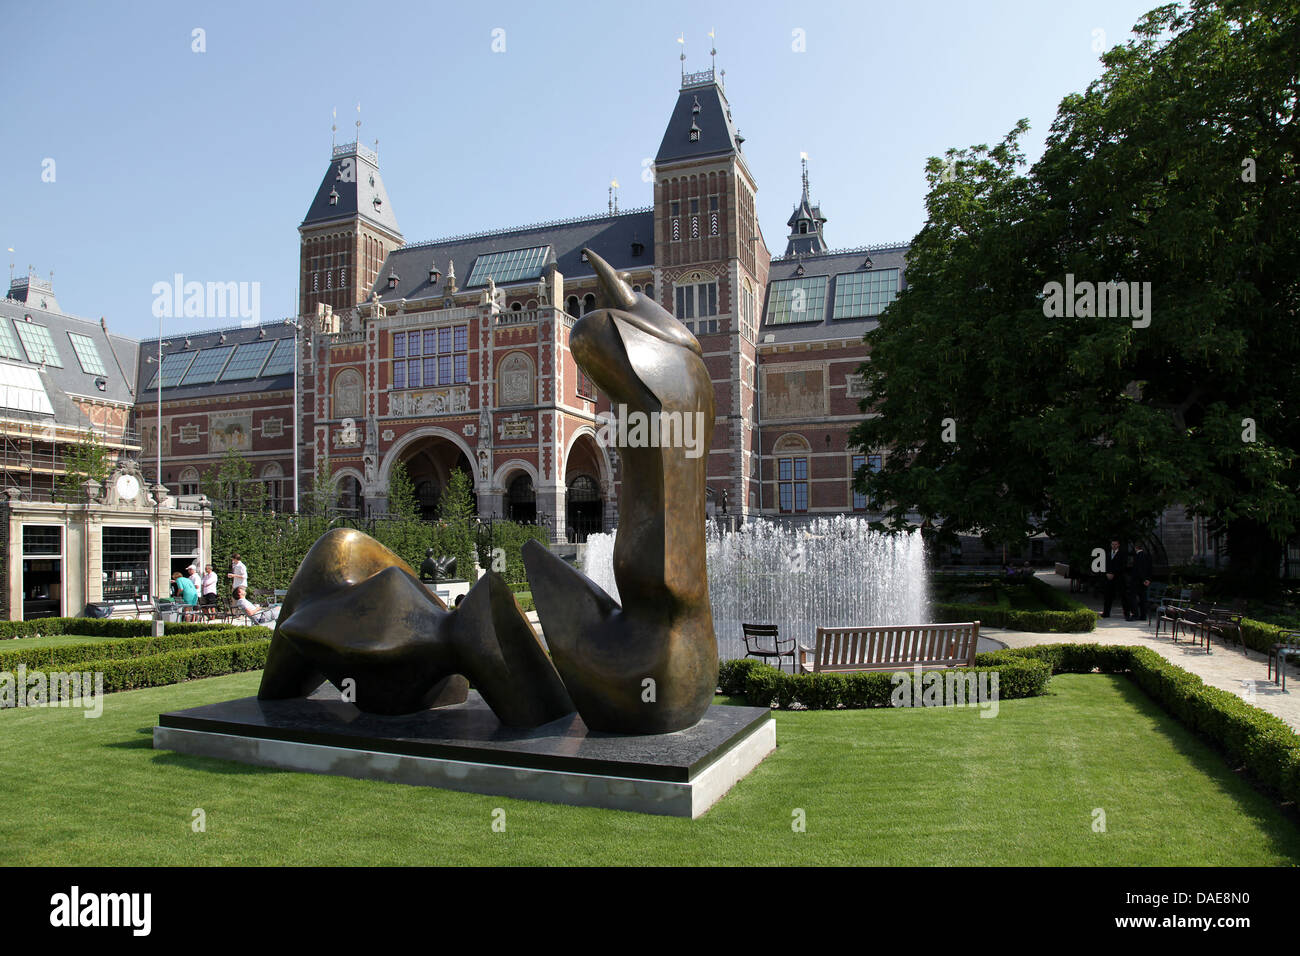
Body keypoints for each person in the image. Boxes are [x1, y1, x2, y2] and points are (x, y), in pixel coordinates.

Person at [1102, 538, 1128, 618]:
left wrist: (1114, 573)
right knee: (1108, 596)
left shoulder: (1122, 554)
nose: (1114, 546)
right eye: (1112, 544)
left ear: (1118, 545)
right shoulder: (1108, 554)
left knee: (1123, 596)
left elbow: (1123, 566)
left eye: (1115, 544)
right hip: (1109, 578)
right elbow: (1105, 565)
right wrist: (1107, 573)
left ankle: (1126, 613)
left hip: (1119, 578)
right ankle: (1106, 613)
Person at [1128, 542, 1153, 621]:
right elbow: (1150, 569)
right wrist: (1148, 579)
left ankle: (1135, 614)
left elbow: (1139, 570)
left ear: (1136, 548)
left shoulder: (1137, 556)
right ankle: (1143, 615)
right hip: (1144, 581)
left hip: (1137, 581)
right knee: (1143, 599)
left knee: (1133, 597)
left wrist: (1143, 579)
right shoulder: (1147, 556)